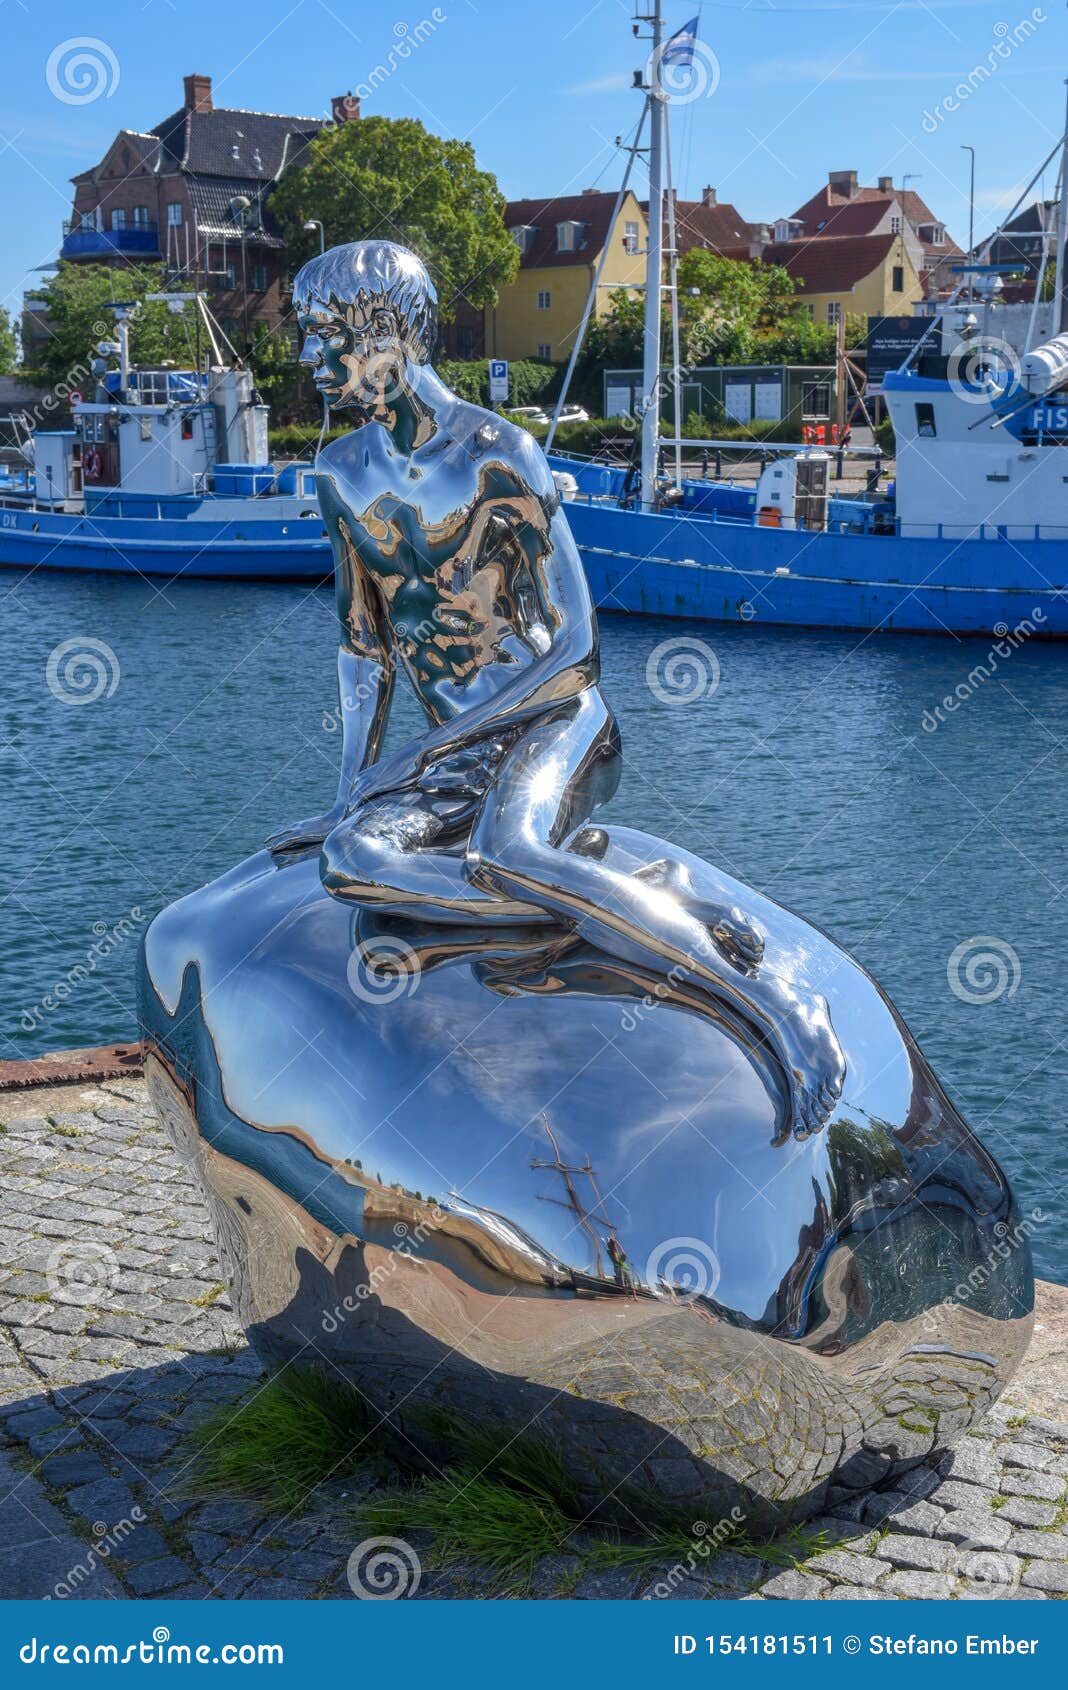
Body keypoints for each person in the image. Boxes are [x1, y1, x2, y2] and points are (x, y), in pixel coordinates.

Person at [268, 240, 843, 1138]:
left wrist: (416, 754)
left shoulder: (501, 455)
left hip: (553, 721)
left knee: (507, 856)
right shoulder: (341, 470)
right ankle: (648, 894)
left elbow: (577, 647)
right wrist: (352, 791)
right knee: (352, 860)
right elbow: (362, 649)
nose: (309, 359)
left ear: (384, 331)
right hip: (452, 760)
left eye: (321, 336)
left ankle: (774, 1004)